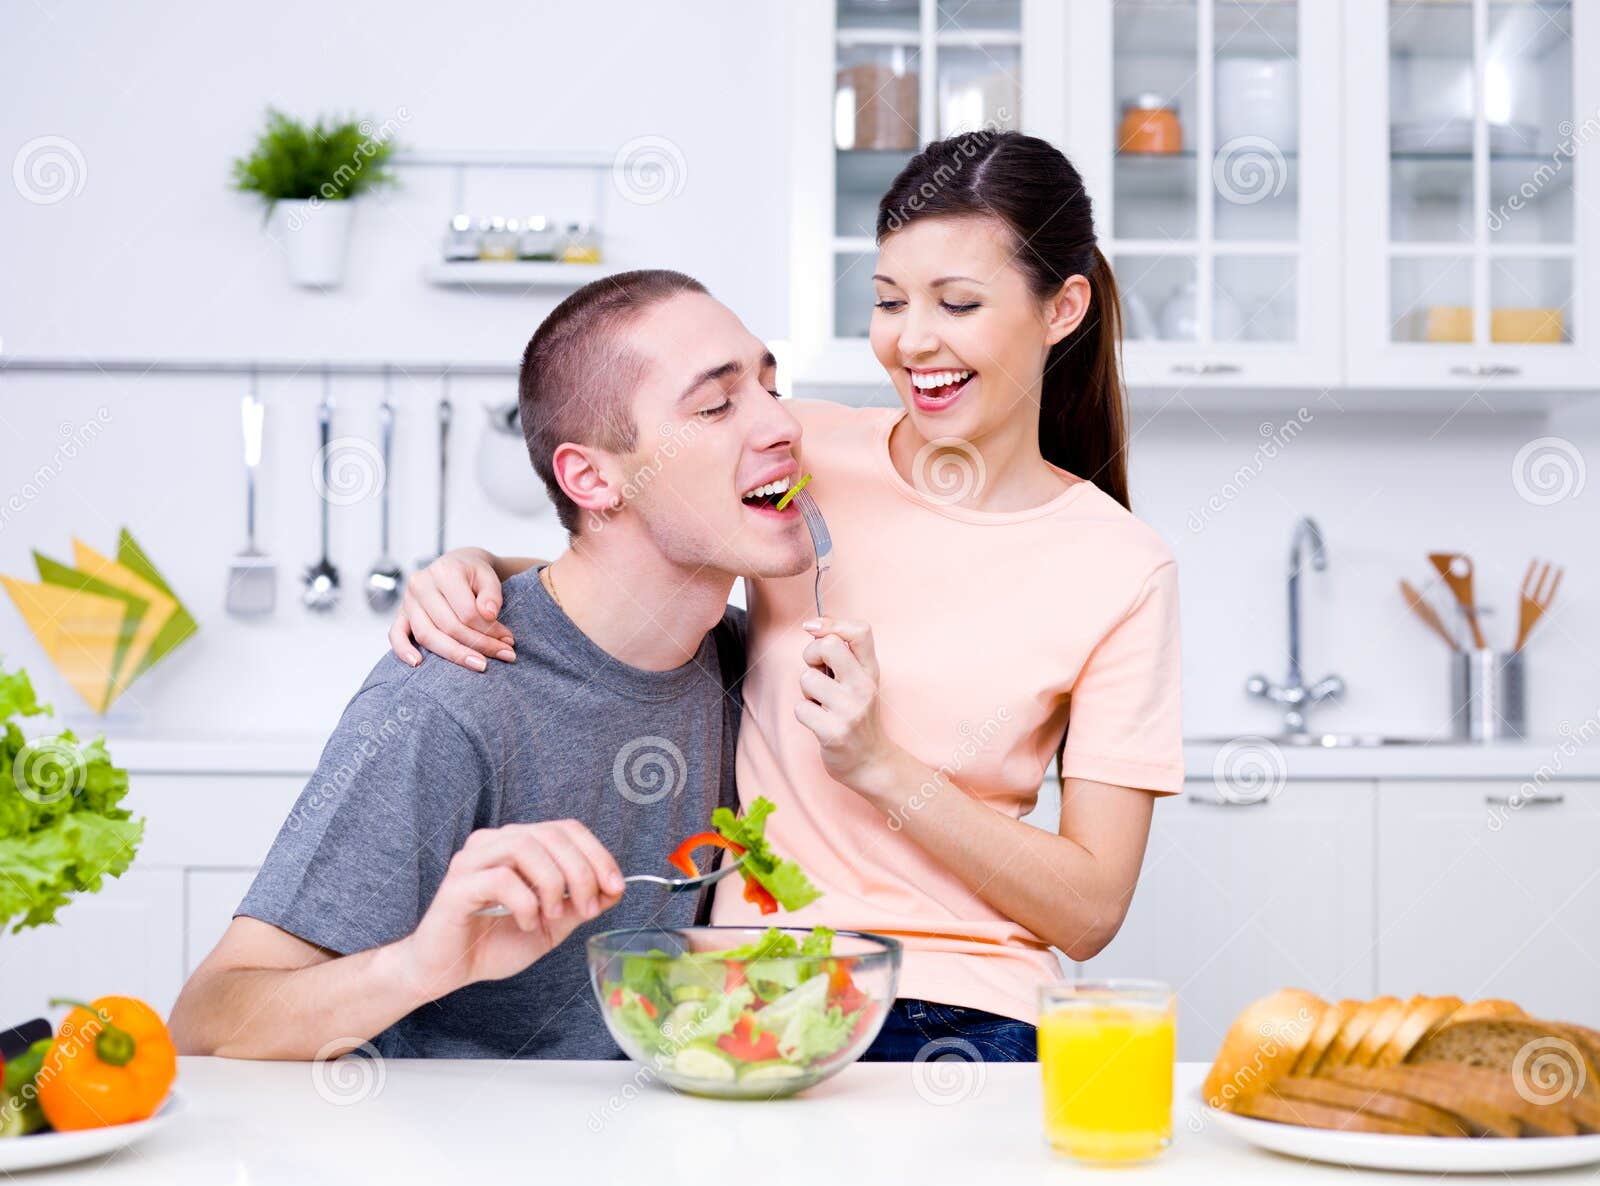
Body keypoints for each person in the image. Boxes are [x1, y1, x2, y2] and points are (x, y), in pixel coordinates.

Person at [390, 132, 1185, 1063]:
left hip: (964, 1004)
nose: (912, 340)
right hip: (751, 985)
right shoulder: (804, 448)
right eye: (889, 301)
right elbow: (639, 547)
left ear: (1064, 308)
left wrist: (879, 764)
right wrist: (479, 564)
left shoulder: (1121, 566)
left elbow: (1089, 911)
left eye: (958, 303)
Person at [168, 269, 815, 1060]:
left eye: (772, 388)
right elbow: (205, 1020)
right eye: (715, 405)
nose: (782, 424)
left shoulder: (755, 664)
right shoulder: (451, 695)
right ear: (592, 478)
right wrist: (418, 966)